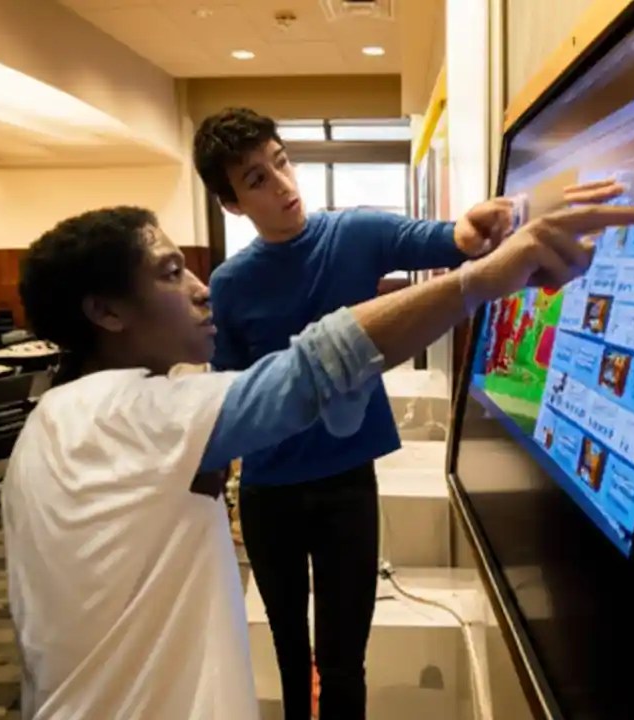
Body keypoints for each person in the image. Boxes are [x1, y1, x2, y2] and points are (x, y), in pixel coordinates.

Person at [2, 197, 634, 720]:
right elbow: (311, 369)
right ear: (105, 311)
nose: (203, 291)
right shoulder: (121, 416)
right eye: (172, 273)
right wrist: (480, 282)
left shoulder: (64, 419)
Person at [192, 107, 523, 719]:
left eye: (280, 162)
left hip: (347, 487)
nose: (283, 184)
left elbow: (445, 238)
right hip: (270, 493)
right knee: (290, 649)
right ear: (233, 204)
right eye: (256, 179)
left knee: (345, 657)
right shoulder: (230, 284)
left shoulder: (356, 233)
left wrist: (473, 233)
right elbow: (228, 394)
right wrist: (213, 479)